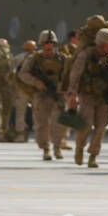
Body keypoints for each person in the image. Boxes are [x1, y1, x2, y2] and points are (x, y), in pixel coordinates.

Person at [66, 28, 108, 169]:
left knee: (101, 127)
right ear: (100, 43)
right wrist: (72, 94)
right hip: (87, 95)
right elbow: (75, 75)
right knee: (86, 124)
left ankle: (93, 156)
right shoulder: (86, 55)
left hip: (104, 97)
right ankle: (80, 148)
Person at [19, 31, 67, 161]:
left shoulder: (62, 58)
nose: (49, 46)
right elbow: (23, 74)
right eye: (46, 43)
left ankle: (57, 147)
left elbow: (70, 74)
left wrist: (64, 86)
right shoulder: (34, 58)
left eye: (51, 43)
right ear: (41, 44)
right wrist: (35, 82)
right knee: (42, 123)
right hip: (41, 95)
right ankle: (46, 149)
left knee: (60, 123)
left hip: (59, 94)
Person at [9, 39, 37, 142]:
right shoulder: (38, 57)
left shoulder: (17, 58)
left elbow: (10, 75)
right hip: (35, 89)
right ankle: (39, 135)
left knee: (20, 113)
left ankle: (20, 135)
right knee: (37, 112)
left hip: (21, 90)